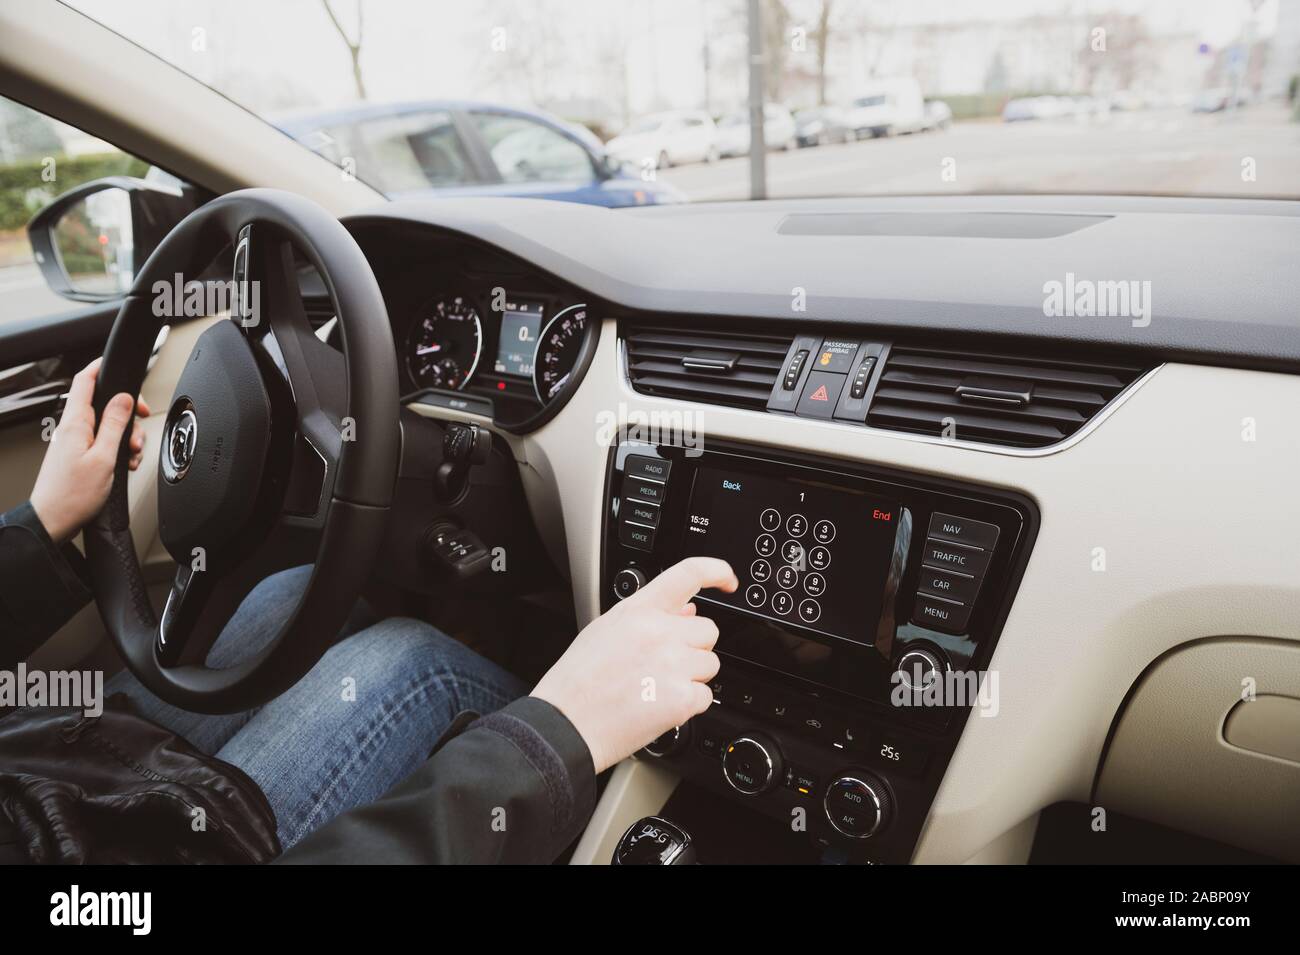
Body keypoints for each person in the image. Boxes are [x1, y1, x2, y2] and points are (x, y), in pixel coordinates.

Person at [3, 358, 736, 863]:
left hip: (50, 775)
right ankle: (609, 786)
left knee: (290, 597)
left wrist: (43, 525)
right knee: (412, 661)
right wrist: (556, 735)